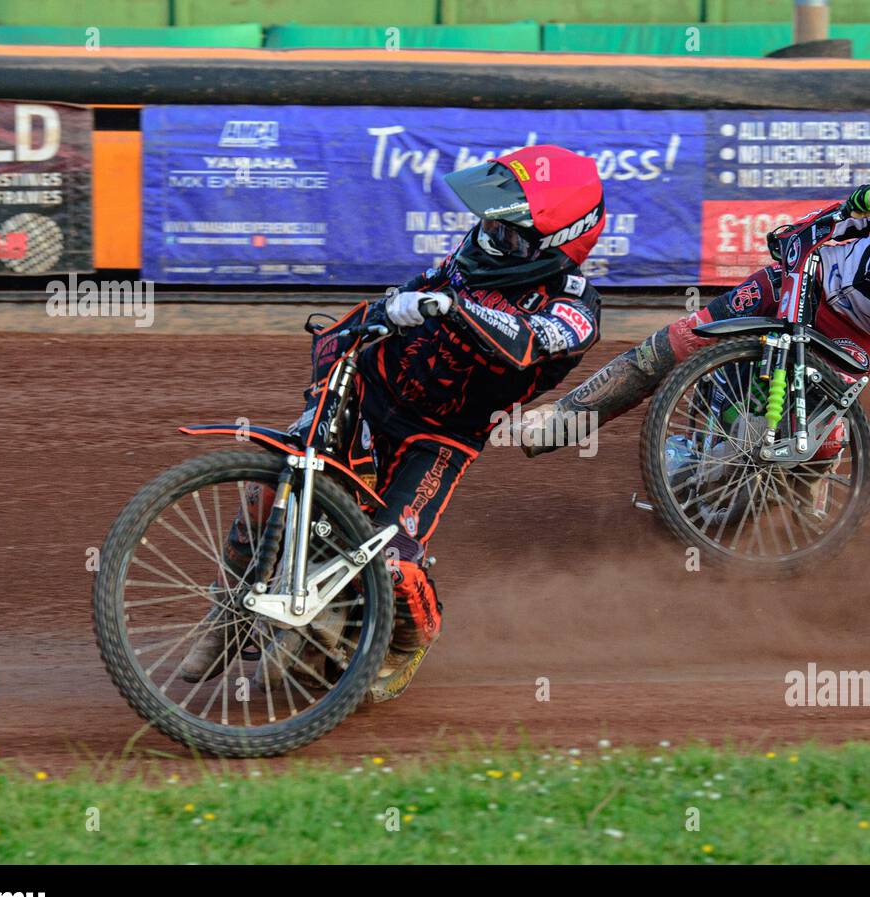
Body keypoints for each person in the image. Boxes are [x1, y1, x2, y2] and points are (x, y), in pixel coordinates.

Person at [181, 144, 605, 701]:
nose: (487, 236)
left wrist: (454, 308)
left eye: (506, 233)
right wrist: (384, 315)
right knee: (275, 483)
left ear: (553, 244)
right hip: (369, 392)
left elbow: (527, 344)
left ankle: (407, 640)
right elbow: (390, 306)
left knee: (392, 560)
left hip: (440, 437)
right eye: (489, 222)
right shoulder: (468, 256)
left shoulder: (576, 305)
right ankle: (229, 609)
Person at [521, 135, 870, 519]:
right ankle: (562, 420)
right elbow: (861, 210)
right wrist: (806, 230)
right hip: (805, 280)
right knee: (675, 343)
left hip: (850, 341)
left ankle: (783, 521)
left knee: (814, 446)